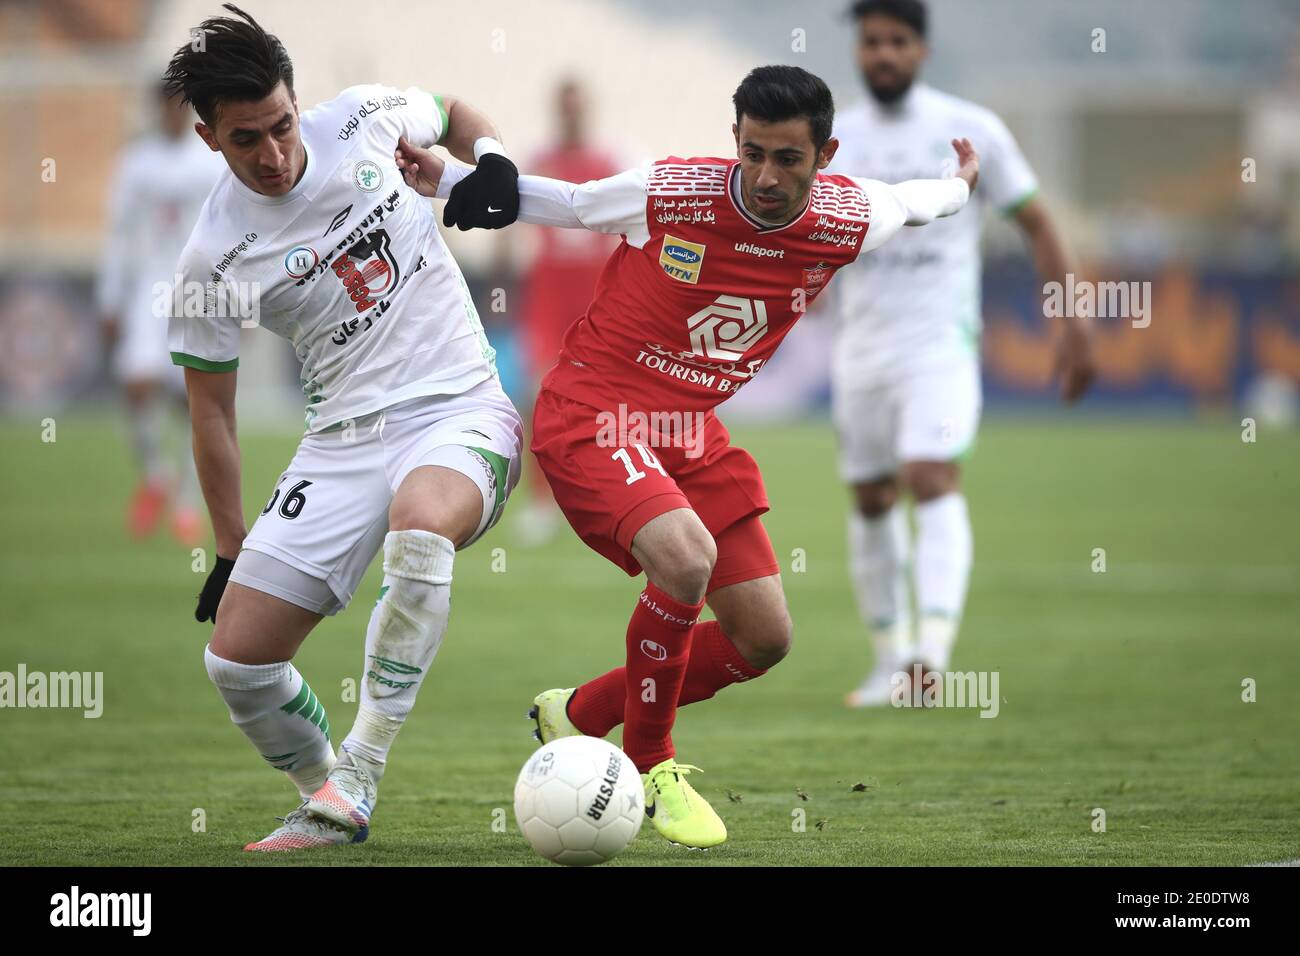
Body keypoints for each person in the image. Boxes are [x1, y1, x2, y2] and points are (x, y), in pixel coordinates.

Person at [397, 63, 979, 848]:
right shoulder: (672, 193)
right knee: (686, 558)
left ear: (827, 154)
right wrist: (454, 179)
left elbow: (916, 203)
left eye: (789, 159)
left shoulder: (847, 216)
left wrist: (961, 184)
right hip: (594, 415)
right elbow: (568, 205)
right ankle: (650, 764)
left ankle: (583, 712)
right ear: (734, 141)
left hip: (688, 430)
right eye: (753, 153)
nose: (766, 177)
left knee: (764, 637)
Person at [164, 4, 523, 852]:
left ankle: (362, 767)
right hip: (339, 443)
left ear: (299, 102)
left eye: (282, 125)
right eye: (246, 138)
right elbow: (211, 409)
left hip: (459, 406)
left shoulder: (363, 116)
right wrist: (226, 543)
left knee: (422, 527)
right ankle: (326, 788)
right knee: (239, 666)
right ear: (208, 137)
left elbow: (456, 111)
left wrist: (496, 162)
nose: (275, 153)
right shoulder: (210, 259)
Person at [829, 0, 1095, 707]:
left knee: (930, 473)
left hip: (940, 345)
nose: (882, 53)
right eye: (871, 41)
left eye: (896, 41)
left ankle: (930, 658)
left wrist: (1071, 321)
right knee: (871, 496)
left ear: (922, 49)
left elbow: (1037, 220)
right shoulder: (835, 139)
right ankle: (889, 659)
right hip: (861, 350)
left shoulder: (972, 129)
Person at [97, 84, 223, 546]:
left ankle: (188, 504)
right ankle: (156, 476)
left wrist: (237, 303)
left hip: (196, 287)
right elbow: (119, 234)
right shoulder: (136, 162)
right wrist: (110, 299)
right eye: (164, 106)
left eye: (178, 106)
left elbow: (230, 232)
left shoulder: (209, 159)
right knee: (136, 382)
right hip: (148, 286)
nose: (171, 114)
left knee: (192, 399)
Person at [508, 79, 621, 545]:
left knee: (607, 399)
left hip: (595, 294)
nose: (572, 115)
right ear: (558, 110)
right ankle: (540, 502)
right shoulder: (539, 162)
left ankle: (611, 496)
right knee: (540, 395)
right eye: (565, 106)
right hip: (549, 295)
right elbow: (509, 219)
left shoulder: (609, 163)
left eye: (579, 107)